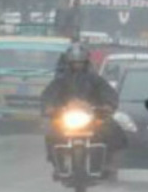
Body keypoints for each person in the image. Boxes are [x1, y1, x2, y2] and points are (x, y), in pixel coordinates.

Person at [40, 44, 124, 174]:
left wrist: (108, 105)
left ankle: (108, 162)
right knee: (51, 133)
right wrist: (49, 107)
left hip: (93, 116)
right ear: (68, 62)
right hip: (65, 117)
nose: (77, 65)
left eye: (80, 62)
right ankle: (57, 163)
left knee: (111, 130)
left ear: (85, 62)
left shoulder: (95, 79)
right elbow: (49, 94)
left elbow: (108, 92)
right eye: (74, 62)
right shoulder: (60, 80)